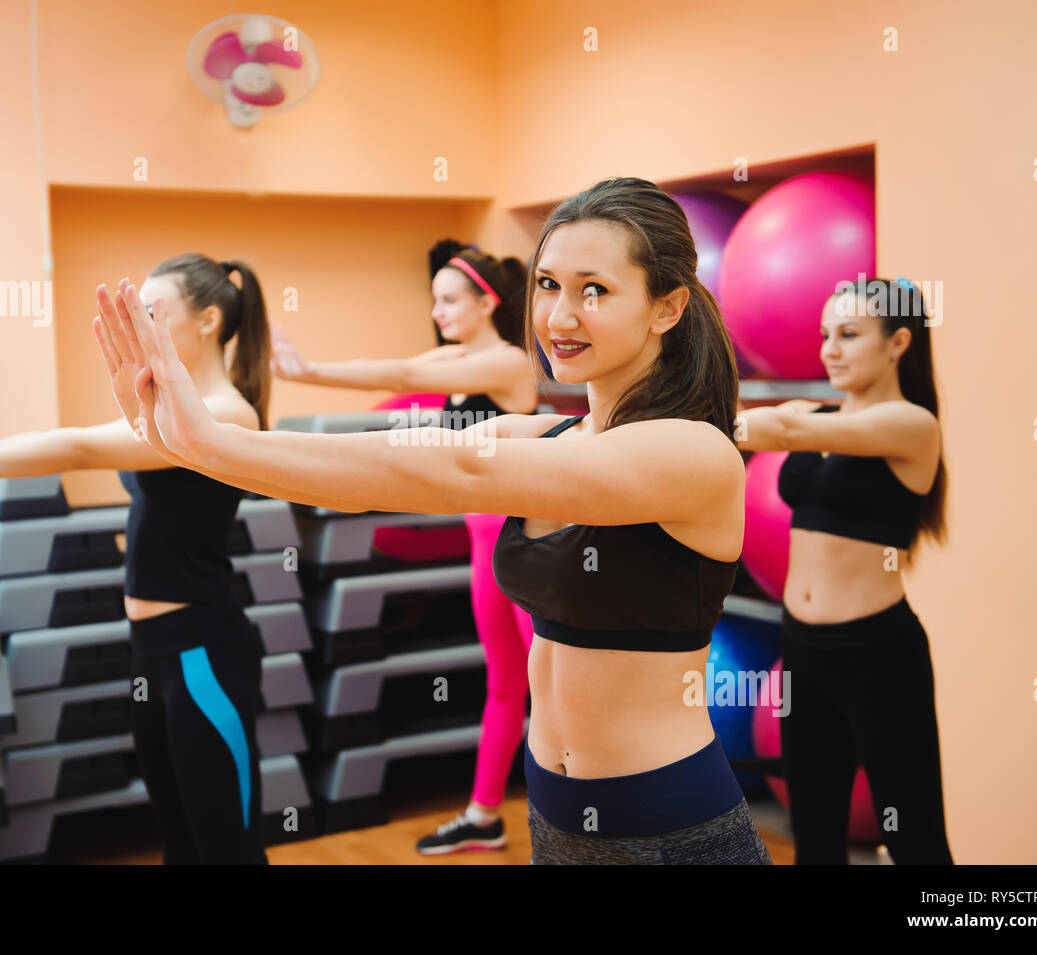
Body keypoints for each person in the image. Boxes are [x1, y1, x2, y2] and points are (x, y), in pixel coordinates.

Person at [95, 176, 773, 865]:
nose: (560, 317)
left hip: (671, 824)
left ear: (667, 306)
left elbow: (457, 475)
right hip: (559, 819)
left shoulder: (694, 451)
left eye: (593, 290)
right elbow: (385, 464)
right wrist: (191, 442)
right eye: (547, 286)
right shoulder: (543, 434)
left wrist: (211, 442)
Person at [0, 254, 272, 865]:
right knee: (177, 838)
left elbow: (80, 446)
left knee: (226, 846)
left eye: (153, 312)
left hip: (204, 653)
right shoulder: (170, 410)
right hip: (152, 649)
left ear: (207, 321)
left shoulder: (226, 415)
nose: (138, 324)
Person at [269, 244, 542, 853]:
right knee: (504, 683)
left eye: (449, 300)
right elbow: (403, 367)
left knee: (549, 684)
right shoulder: (460, 359)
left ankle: (579, 818)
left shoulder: (506, 363)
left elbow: (406, 377)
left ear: (485, 302)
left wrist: (306, 370)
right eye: (436, 301)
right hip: (483, 541)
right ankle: (483, 815)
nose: (439, 311)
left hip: (526, 543)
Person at [735, 277, 953, 864]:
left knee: (915, 842)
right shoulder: (815, 412)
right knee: (816, 837)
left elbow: (781, 428)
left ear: (899, 342)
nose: (830, 348)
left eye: (849, 334)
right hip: (803, 651)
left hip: (878, 655)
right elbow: (785, 424)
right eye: (825, 334)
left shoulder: (910, 426)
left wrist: (698, 413)